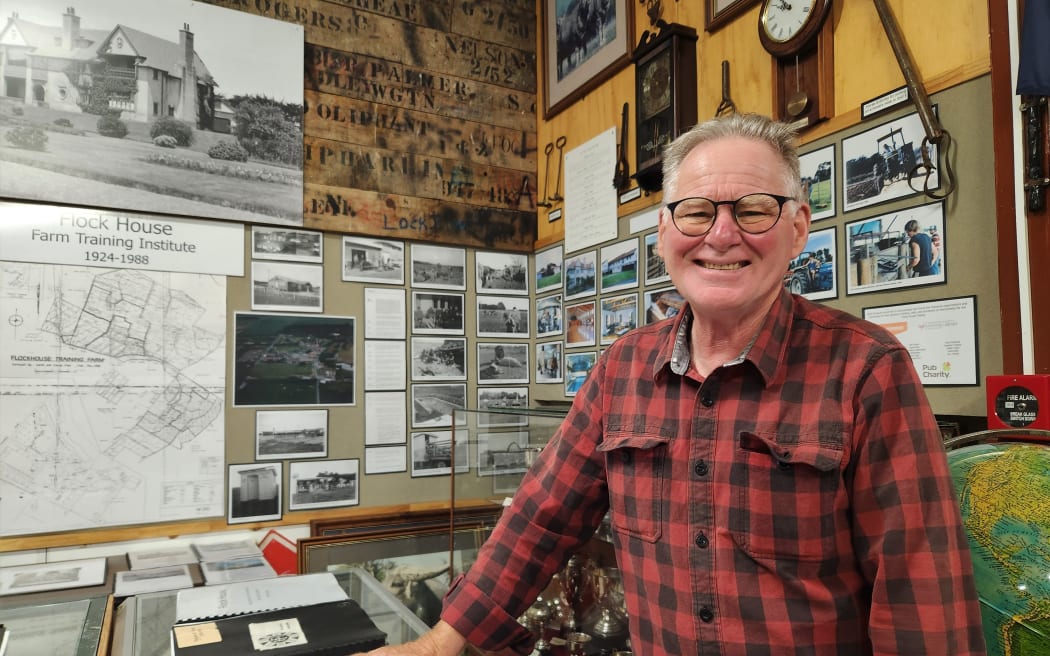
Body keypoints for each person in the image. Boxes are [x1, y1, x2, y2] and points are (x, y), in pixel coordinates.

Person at [366, 113, 985, 655]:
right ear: (664, 233)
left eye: (753, 209)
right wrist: (439, 644)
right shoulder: (621, 370)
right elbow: (539, 517)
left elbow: (920, 597)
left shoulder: (867, 369)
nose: (721, 235)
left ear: (797, 227)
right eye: (696, 212)